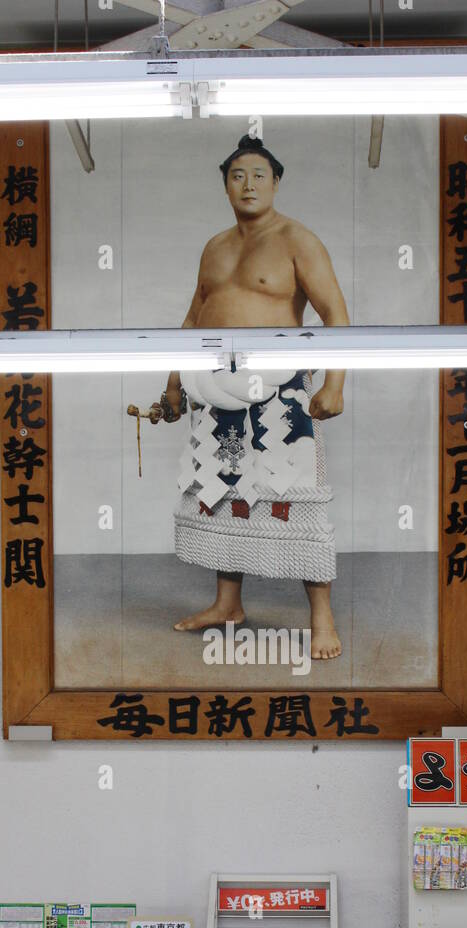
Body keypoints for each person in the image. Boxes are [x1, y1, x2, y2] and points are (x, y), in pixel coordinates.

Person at [150, 134, 349, 661]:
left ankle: (321, 615)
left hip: (279, 394)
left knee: (296, 498)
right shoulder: (214, 247)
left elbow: (337, 316)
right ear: (225, 186)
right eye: (237, 175)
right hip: (212, 392)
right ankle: (227, 604)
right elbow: (193, 320)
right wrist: (172, 384)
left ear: (277, 182)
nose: (249, 184)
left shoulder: (298, 240)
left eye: (260, 174)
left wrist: (335, 383)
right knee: (220, 494)